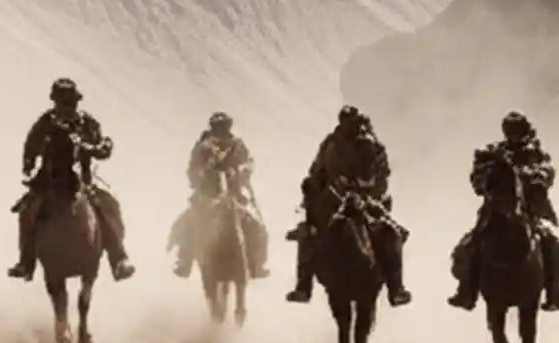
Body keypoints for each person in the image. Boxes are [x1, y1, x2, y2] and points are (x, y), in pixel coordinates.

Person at [7, 78, 136, 282]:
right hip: (48, 181)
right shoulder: (45, 123)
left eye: (71, 102)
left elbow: (103, 145)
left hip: (82, 179)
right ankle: (26, 261)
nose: (67, 107)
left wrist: (95, 149)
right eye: (62, 102)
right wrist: (28, 168)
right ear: (55, 102)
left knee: (107, 205)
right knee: (27, 211)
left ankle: (118, 258)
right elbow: (30, 147)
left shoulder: (87, 123)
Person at [448, 112, 559, 312]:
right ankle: (466, 290)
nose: (514, 136)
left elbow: (547, 171)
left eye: (517, 131)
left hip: (531, 211)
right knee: (471, 244)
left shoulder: (535, 152)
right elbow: (477, 179)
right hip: (494, 210)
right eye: (511, 132)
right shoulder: (493, 153)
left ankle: (554, 293)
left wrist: (532, 177)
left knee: (552, 245)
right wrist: (487, 178)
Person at [285, 106, 412, 306]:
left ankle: (396, 287)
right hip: (334, 198)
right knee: (309, 233)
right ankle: (303, 285)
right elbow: (317, 170)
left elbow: (382, 174)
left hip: (368, 199)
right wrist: (317, 189)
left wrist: (370, 193)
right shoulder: (331, 144)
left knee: (391, 233)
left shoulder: (373, 146)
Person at [170, 112, 268, 278]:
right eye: (218, 127)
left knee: (257, 226)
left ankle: (257, 263)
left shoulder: (237, 145)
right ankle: (184, 260)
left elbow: (248, 163)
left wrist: (241, 172)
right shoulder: (203, 146)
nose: (222, 130)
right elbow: (192, 169)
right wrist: (201, 175)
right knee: (187, 222)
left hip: (235, 194)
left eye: (224, 127)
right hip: (207, 194)